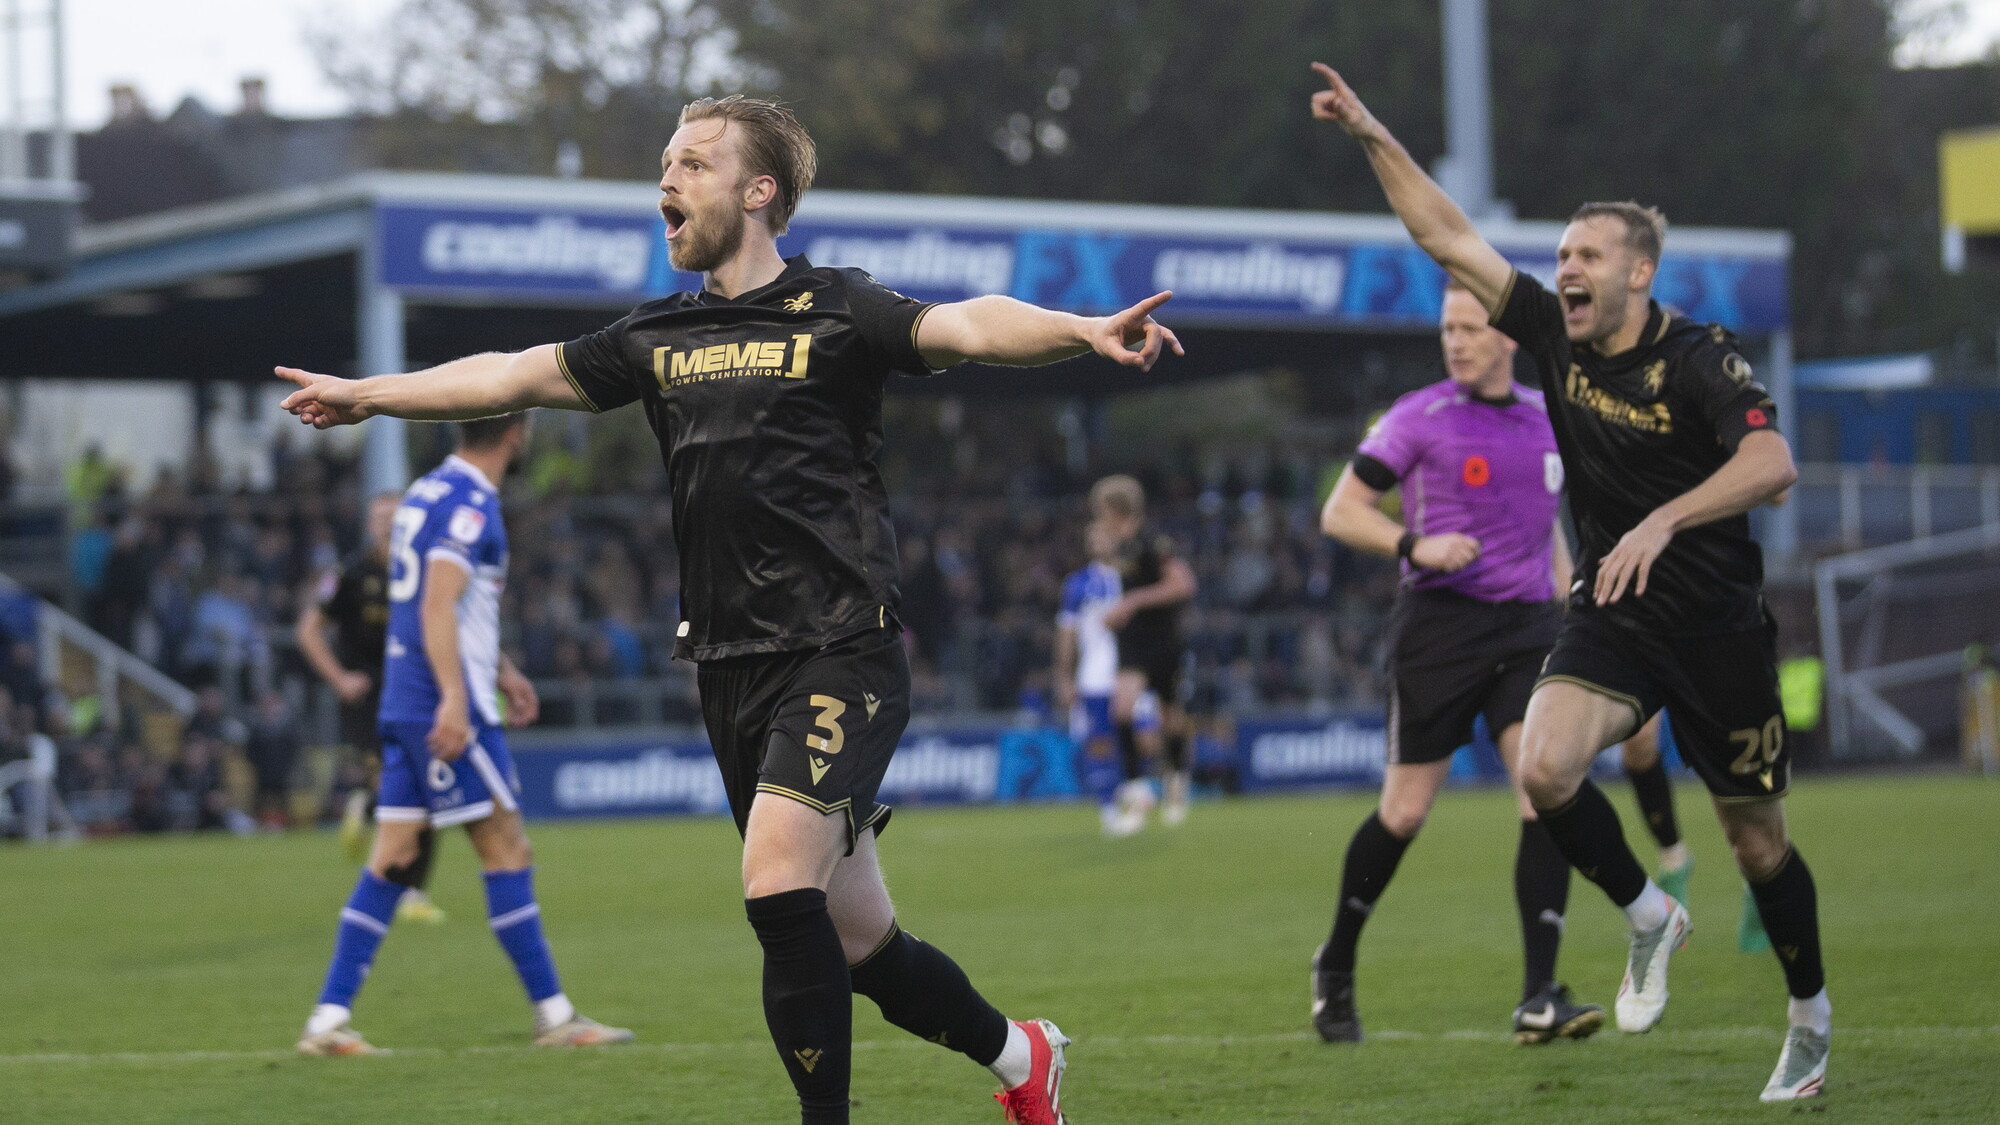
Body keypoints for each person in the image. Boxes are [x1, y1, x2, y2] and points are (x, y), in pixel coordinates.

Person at [279, 94, 1181, 1124]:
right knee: (857, 945)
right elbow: (513, 373)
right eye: (665, 163)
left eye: (693, 163)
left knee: (771, 888)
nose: (668, 179)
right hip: (727, 666)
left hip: (840, 650)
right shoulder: (656, 336)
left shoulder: (837, 309)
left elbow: (968, 323)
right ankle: (1021, 1059)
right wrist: (368, 394)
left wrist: (1075, 328)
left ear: (760, 193)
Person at [1311, 64, 1828, 1101]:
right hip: (1610, 617)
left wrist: (1666, 516)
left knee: (1756, 841)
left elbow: (1772, 467)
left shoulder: (1698, 359)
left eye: (1585, 256)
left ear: (1637, 273)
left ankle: (1807, 1018)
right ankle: (1647, 916)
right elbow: (1444, 236)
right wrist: (1370, 130)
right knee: (1542, 772)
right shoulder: (1550, 332)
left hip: (1717, 625)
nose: (1565, 270)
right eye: (1558, 256)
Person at [1310, 278, 1601, 1046]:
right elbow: (1339, 512)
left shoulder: (1549, 416)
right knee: (1405, 812)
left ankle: (1540, 991)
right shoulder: (1418, 416)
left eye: (1471, 327)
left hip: (1529, 629)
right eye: (1448, 329)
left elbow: (1549, 529)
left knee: (1544, 791)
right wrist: (1415, 544)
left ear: (1508, 335)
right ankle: (1335, 963)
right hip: (1439, 629)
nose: (1458, 341)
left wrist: (1573, 596)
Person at [294, 414, 632, 1055]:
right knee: (508, 849)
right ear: (518, 430)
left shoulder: (426, 490)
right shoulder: (472, 504)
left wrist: (501, 668)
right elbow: (436, 603)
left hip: (404, 699)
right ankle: (555, 1019)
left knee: (393, 860)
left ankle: (326, 1023)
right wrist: (456, 695)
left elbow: (431, 596)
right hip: (444, 707)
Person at [296, 492, 445, 925]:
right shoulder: (349, 574)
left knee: (426, 785)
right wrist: (340, 678)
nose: (387, 524)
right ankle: (401, 883)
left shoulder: (426, 569)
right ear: (369, 525)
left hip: (417, 690)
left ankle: (411, 886)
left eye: (395, 517)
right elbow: (308, 630)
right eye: (380, 517)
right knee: (400, 784)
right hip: (368, 698)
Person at [1091, 476, 1198, 828]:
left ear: (1115, 510)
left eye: (1102, 510)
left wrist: (1133, 602)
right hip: (1133, 645)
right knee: (1121, 708)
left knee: (1171, 718)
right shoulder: (1119, 548)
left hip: (1163, 642)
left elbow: (1183, 584)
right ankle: (1138, 792)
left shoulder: (1152, 542)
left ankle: (1177, 784)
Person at [1053, 519, 1144, 836]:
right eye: (1092, 536)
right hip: (1096, 677)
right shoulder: (1079, 584)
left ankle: (1136, 797)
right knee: (1101, 744)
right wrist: (1065, 678)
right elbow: (1066, 634)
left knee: (1143, 737)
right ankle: (1110, 812)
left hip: (1133, 675)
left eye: (1103, 535)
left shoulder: (1133, 578)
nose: (1097, 541)